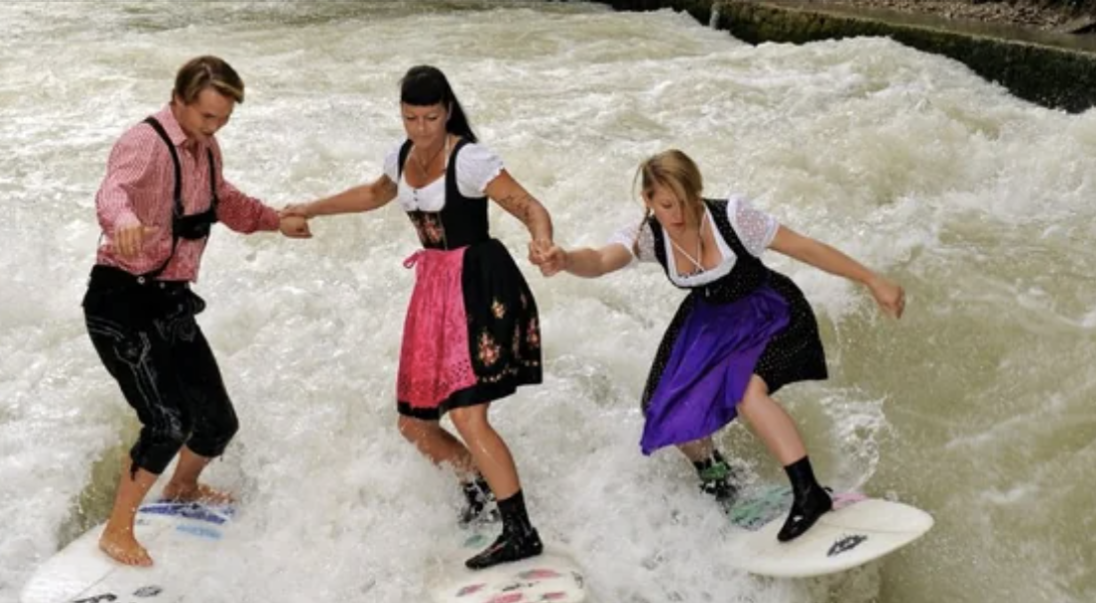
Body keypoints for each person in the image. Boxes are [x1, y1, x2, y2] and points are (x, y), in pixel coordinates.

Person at [531, 149, 905, 541]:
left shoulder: (734, 218)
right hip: (710, 323)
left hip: (768, 312)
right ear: (647, 200)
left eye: (686, 202)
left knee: (748, 393)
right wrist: (565, 259)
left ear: (697, 193)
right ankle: (719, 480)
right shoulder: (647, 235)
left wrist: (871, 279)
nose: (677, 215)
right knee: (661, 405)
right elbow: (601, 259)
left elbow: (804, 247)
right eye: (666, 204)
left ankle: (809, 494)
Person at [286, 65, 554, 570]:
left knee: (467, 414)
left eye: (430, 117)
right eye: (410, 117)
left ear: (447, 111)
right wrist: (310, 207)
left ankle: (519, 530)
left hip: (478, 283)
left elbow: (528, 205)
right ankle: (477, 486)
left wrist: (541, 239)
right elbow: (372, 194)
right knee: (414, 422)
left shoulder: (470, 159)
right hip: (434, 290)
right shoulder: (402, 155)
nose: (420, 128)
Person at [84, 55, 311, 567]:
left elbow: (224, 201)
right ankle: (118, 530)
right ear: (180, 101)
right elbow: (112, 189)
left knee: (216, 423)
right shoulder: (144, 142)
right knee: (167, 421)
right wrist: (120, 220)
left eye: (224, 119)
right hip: (121, 301)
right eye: (208, 117)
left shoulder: (205, 149)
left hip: (169, 301)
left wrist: (278, 221)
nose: (215, 127)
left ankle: (182, 488)